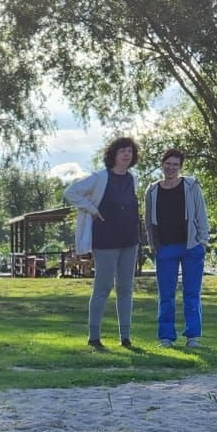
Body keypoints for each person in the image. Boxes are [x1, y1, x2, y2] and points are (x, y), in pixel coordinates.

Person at [62, 137, 143, 350]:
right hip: (106, 239)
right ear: (113, 155)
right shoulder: (99, 177)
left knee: (125, 288)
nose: (126, 155)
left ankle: (125, 337)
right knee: (103, 287)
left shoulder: (132, 179)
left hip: (129, 239)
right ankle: (94, 336)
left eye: (129, 151)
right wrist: (92, 209)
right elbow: (71, 193)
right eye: (122, 151)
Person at [144, 148, 209, 345]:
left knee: (191, 294)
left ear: (180, 167)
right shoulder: (152, 190)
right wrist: (153, 244)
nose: (171, 167)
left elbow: (201, 214)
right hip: (165, 248)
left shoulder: (191, 186)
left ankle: (193, 336)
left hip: (191, 246)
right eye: (168, 163)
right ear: (162, 164)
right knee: (166, 295)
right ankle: (166, 336)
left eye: (175, 165)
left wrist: (203, 241)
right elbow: (148, 221)